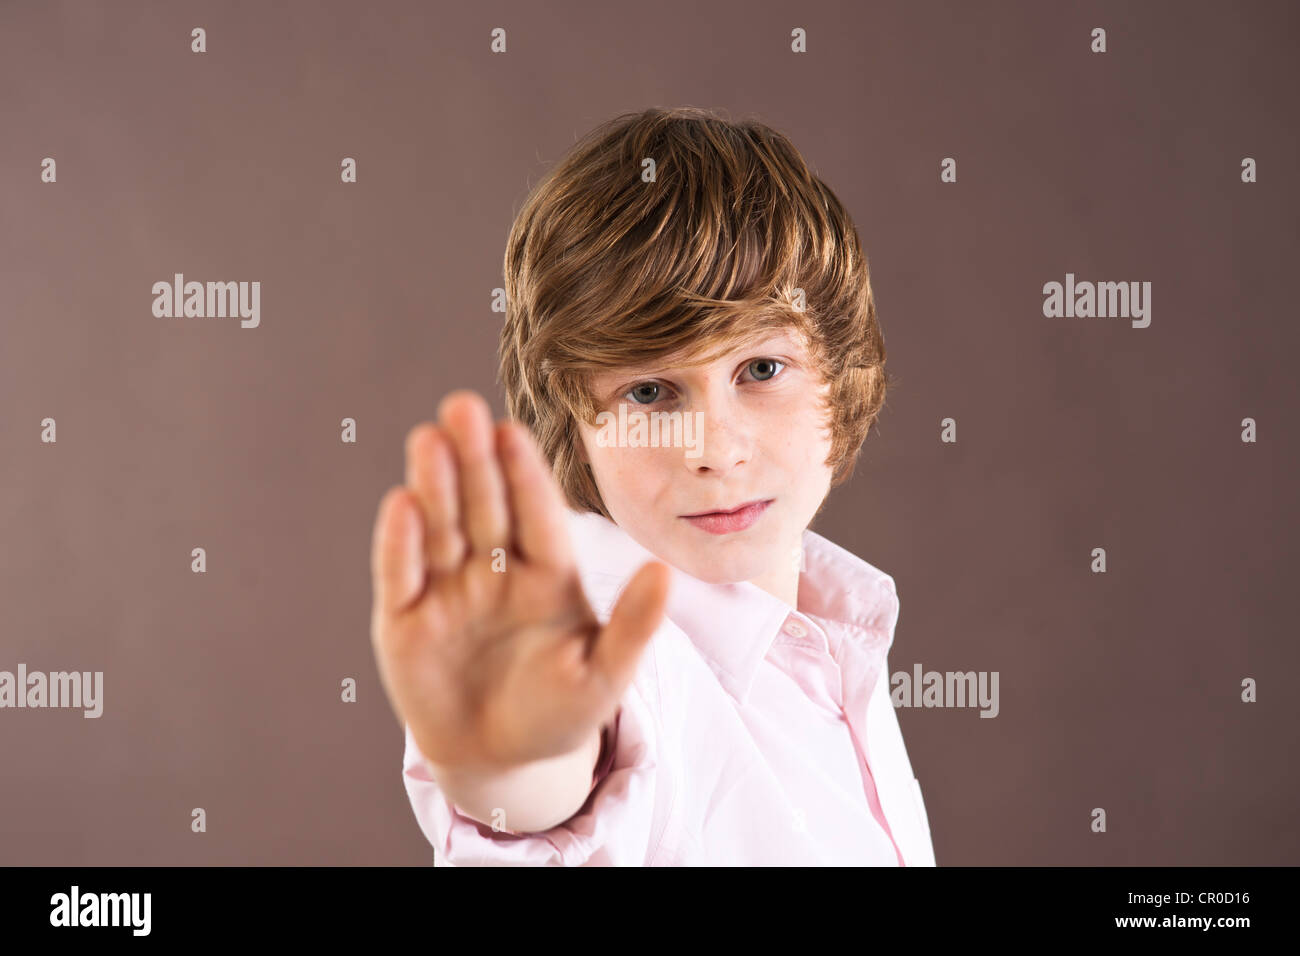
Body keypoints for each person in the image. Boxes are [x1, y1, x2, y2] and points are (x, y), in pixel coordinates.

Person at [369, 107, 936, 865]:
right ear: (571, 419)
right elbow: (562, 783)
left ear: (841, 368)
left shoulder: (829, 631)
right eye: (648, 393)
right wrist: (509, 760)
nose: (716, 450)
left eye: (761, 370)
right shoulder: (611, 648)